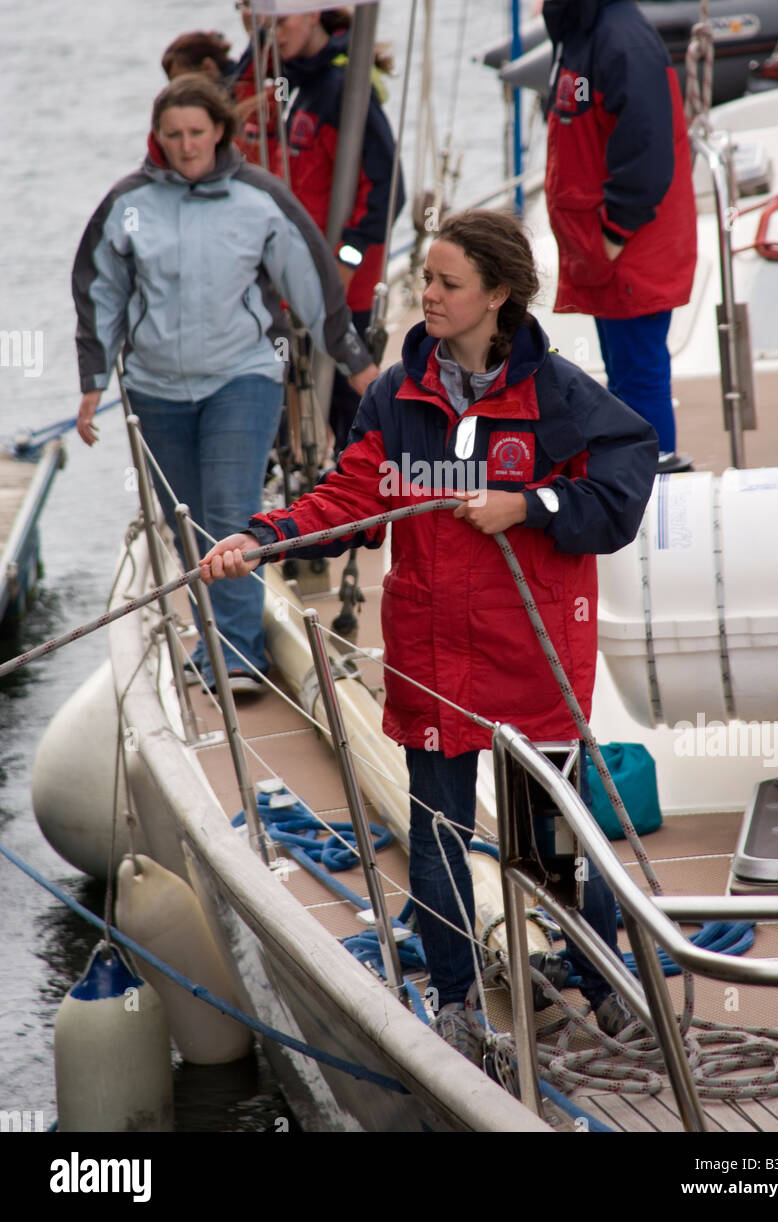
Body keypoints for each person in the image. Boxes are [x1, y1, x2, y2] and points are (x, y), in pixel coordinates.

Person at [200, 209, 658, 1052]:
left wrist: (531, 504)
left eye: (447, 283)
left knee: (556, 844)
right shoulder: (395, 397)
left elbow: (624, 489)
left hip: (532, 658)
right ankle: (455, 999)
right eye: (427, 282)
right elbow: (348, 497)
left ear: (499, 293)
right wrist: (262, 537)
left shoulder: (560, 397)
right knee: (439, 840)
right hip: (432, 658)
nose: (429, 296)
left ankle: (601, 980)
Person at [73, 73, 377, 694]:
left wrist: (356, 364)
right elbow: (101, 291)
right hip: (155, 387)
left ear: (220, 132)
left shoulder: (258, 198)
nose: (186, 145)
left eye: (197, 132)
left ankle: (238, 655)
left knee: (228, 515)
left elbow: (312, 283)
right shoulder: (128, 202)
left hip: (243, 376)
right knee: (185, 521)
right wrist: (92, 382)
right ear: (156, 137)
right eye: (173, 134)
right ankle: (217, 638)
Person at [530, 0, 697, 473]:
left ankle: (655, 481)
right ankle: (639, 479)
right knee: (625, 370)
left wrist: (614, 232)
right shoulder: (583, 31)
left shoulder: (620, 37)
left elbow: (649, 145)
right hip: (602, 250)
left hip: (628, 245)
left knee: (638, 370)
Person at [236, 6, 405, 452]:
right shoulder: (289, 84)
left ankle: (368, 512)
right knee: (299, 414)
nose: (267, 31)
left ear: (312, 14)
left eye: (279, 19)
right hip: (291, 283)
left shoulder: (341, 90)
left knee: (352, 417)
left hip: (341, 286)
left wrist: (344, 263)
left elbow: (388, 190)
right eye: (255, 19)